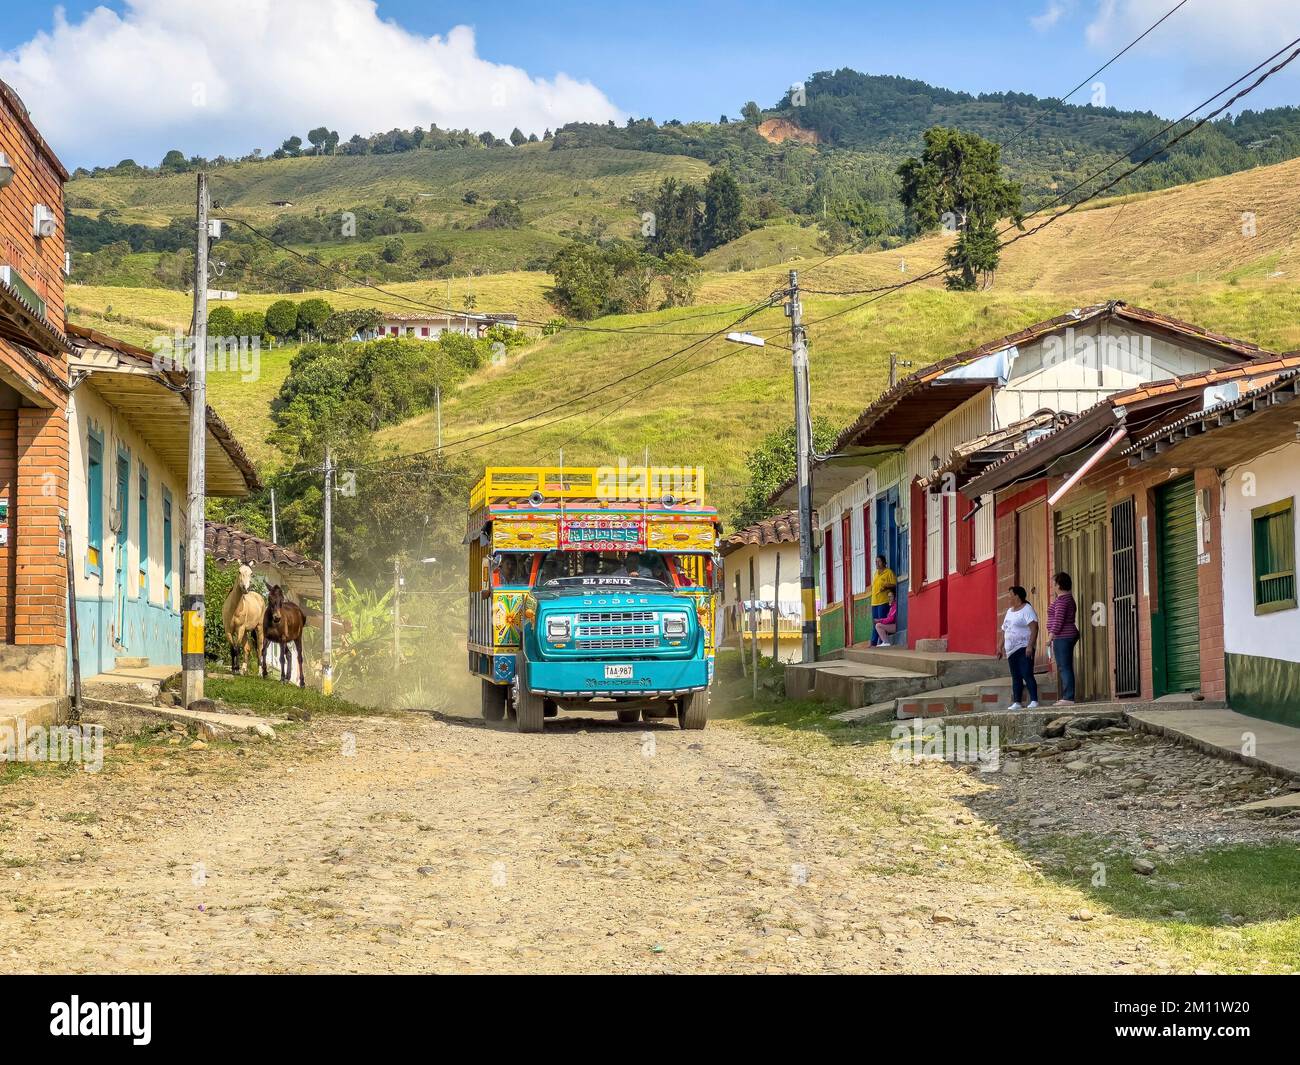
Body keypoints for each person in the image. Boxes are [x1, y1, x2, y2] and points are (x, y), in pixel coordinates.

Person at [997, 585, 1040, 709]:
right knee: (1016, 676)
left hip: (1024, 647)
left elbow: (1034, 628)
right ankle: (1017, 702)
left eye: (1010, 595)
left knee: (1027, 673)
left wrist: (1030, 646)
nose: (1008, 598)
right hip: (1011, 650)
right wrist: (1000, 647)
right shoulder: (1009, 611)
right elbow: (1005, 630)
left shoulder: (1027, 609)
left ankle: (1034, 700)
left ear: (1017, 596)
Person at [1047, 571, 1079, 706]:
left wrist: (1050, 638)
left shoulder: (1062, 601)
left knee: (1064, 667)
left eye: (1054, 583)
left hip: (1063, 636)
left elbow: (1058, 621)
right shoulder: (1067, 599)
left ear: (1059, 585)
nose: (1052, 586)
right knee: (1064, 666)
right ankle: (1067, 696)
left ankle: (1068, 697)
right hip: (1066, 635)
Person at [869, 554, 897, 646]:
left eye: (879, 561)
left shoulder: (888, 572)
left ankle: (882, 642)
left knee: (881, 621)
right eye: (876, 562)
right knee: (875, 622)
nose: (877, 563)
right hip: (874, 601)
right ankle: (873, 642)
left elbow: (894, 584)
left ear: (884, 562)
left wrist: (886, 586)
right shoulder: (876, 574)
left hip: (883, 601)